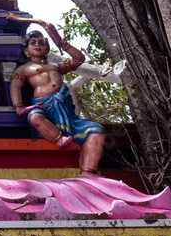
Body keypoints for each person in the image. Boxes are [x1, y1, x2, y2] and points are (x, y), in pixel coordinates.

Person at [9, 20, 105, 175]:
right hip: (43, 107)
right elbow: (15, 86)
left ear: (47, 48)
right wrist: (19, 108)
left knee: (97, 130)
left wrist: (62, 44)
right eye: (33, 43)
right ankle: (58, 139)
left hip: (65, 108)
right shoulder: (24, 69)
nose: (37, 45)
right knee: (34, 118)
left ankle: (88, 173)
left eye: (41, 42)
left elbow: (79, 60)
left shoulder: (57, 66)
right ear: (26, 50)